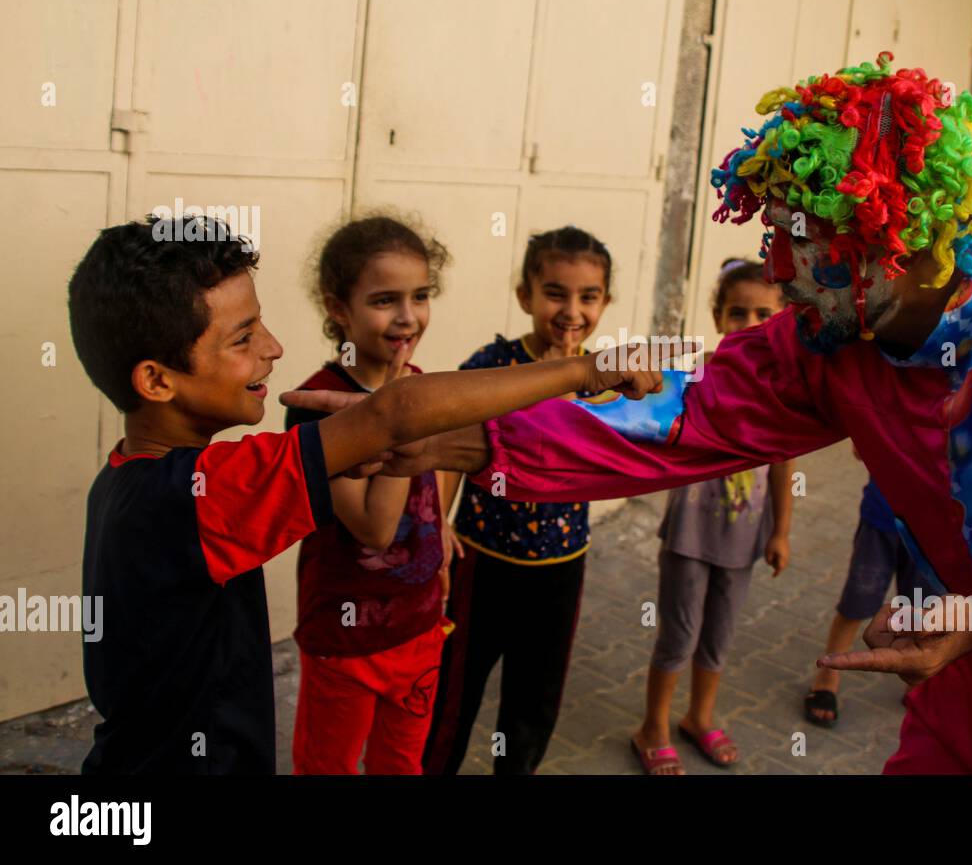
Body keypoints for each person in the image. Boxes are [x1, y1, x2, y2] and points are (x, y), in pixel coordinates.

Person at [287, 54, 972, 775]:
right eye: (778, 235)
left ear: (902, 244)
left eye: (810, 242)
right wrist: (414, 434)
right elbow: (676, 418)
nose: (779, 270)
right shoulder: (835, 342)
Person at [68, 215, 663, 774]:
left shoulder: (132, 477)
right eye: (244, 337)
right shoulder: (201, 492)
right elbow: (394, 419)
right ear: (156, 380)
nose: (273, 348)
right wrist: (585, 373)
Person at [422, 226, 612, 776]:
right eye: (555, 293)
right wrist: (438, 526)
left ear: (605, 302)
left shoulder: (604, 378)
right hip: (480, 563)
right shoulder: (492, 365)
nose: (571, 310)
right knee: (453, 695)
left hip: (561, 568)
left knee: (534, 701)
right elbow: (448, 445)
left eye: (588, 296)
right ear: (525, 295)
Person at [285, 216, 453, 775]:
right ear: (338, 308)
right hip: (346, 636)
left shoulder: (417, 380)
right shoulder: (316, 404)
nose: (408, 317)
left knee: (402, 765)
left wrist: (440, 530)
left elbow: (443, 462)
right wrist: (400, 406)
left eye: (420, 296)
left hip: (420, 627)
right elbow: (374, 529)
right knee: (327, 765)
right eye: (385, 300)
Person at [632, 259, 794, 775]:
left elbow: (784, 460)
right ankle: (652, 727)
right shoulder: (699, 376)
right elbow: (661, 432)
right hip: (690, 533)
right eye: (736, 313)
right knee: (678, 634)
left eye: (762, 314)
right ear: (717, 317)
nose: (748, 324)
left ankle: (699, 718)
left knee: (719, 635)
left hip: (744, 538)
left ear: (782, 317)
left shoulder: (782, 389)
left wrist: (782, 531)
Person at [805, 475, 919, 727]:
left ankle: (917, 679)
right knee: (857, 601)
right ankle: (828, 674)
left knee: (922, 610)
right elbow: (862, 444)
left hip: (937, 525)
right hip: (883, 516)